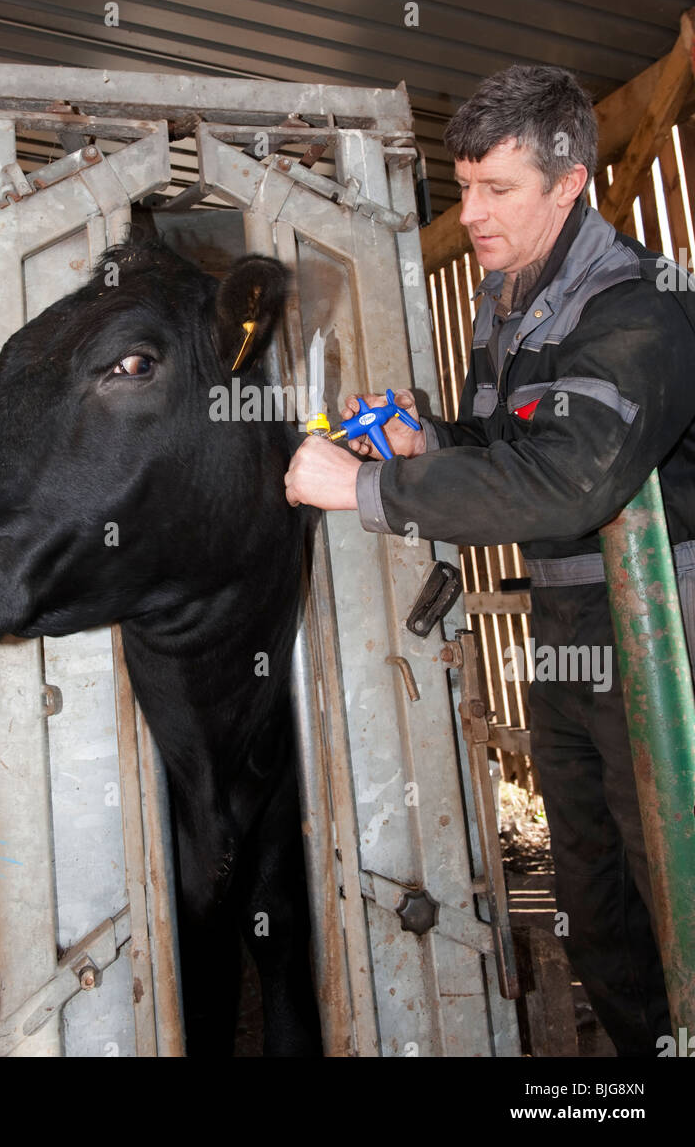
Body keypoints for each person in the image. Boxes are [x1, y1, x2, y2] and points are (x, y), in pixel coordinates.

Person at [284, 63, 695, 1057]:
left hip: (667, 646)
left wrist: (369, 491)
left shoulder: (636, 311)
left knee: (679, 887)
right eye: (464, 186)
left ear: (569, 185)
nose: (469, 213)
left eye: (496, 189)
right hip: (567, 641)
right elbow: (506, 453)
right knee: (596, 906)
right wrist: (429, 445)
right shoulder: (512, 305)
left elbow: (571, 482)